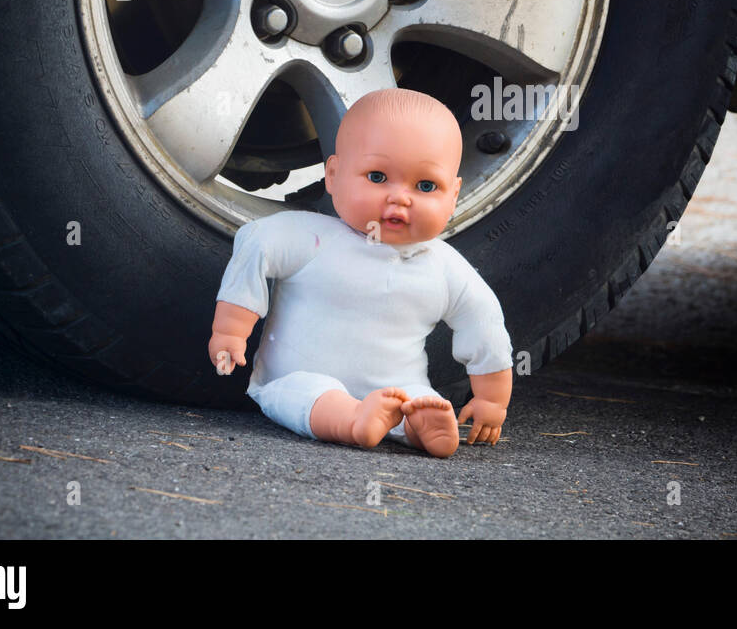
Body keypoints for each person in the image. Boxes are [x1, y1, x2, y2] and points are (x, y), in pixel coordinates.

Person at [207, 88, 512, 457]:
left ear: (453, 197)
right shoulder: (310, 236)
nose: (400, 198)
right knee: (308, 393)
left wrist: (491, 401)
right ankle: (354, 420)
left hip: (397, 388)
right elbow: (256, 247)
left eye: (426, 186)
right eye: (378, 177)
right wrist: (231, 329)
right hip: (294, 378)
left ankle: (420, 424)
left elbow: (483, 321)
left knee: (416, 400)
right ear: (333, 175)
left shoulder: (444, 266)